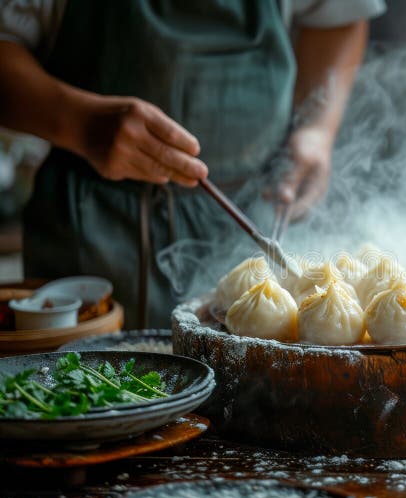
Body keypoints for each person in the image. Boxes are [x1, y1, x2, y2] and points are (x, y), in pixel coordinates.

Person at [0, 0, 385, 328]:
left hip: (255, 204)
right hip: (91, 230)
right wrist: (79, 123)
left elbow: (339, 16)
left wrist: (317, 129)